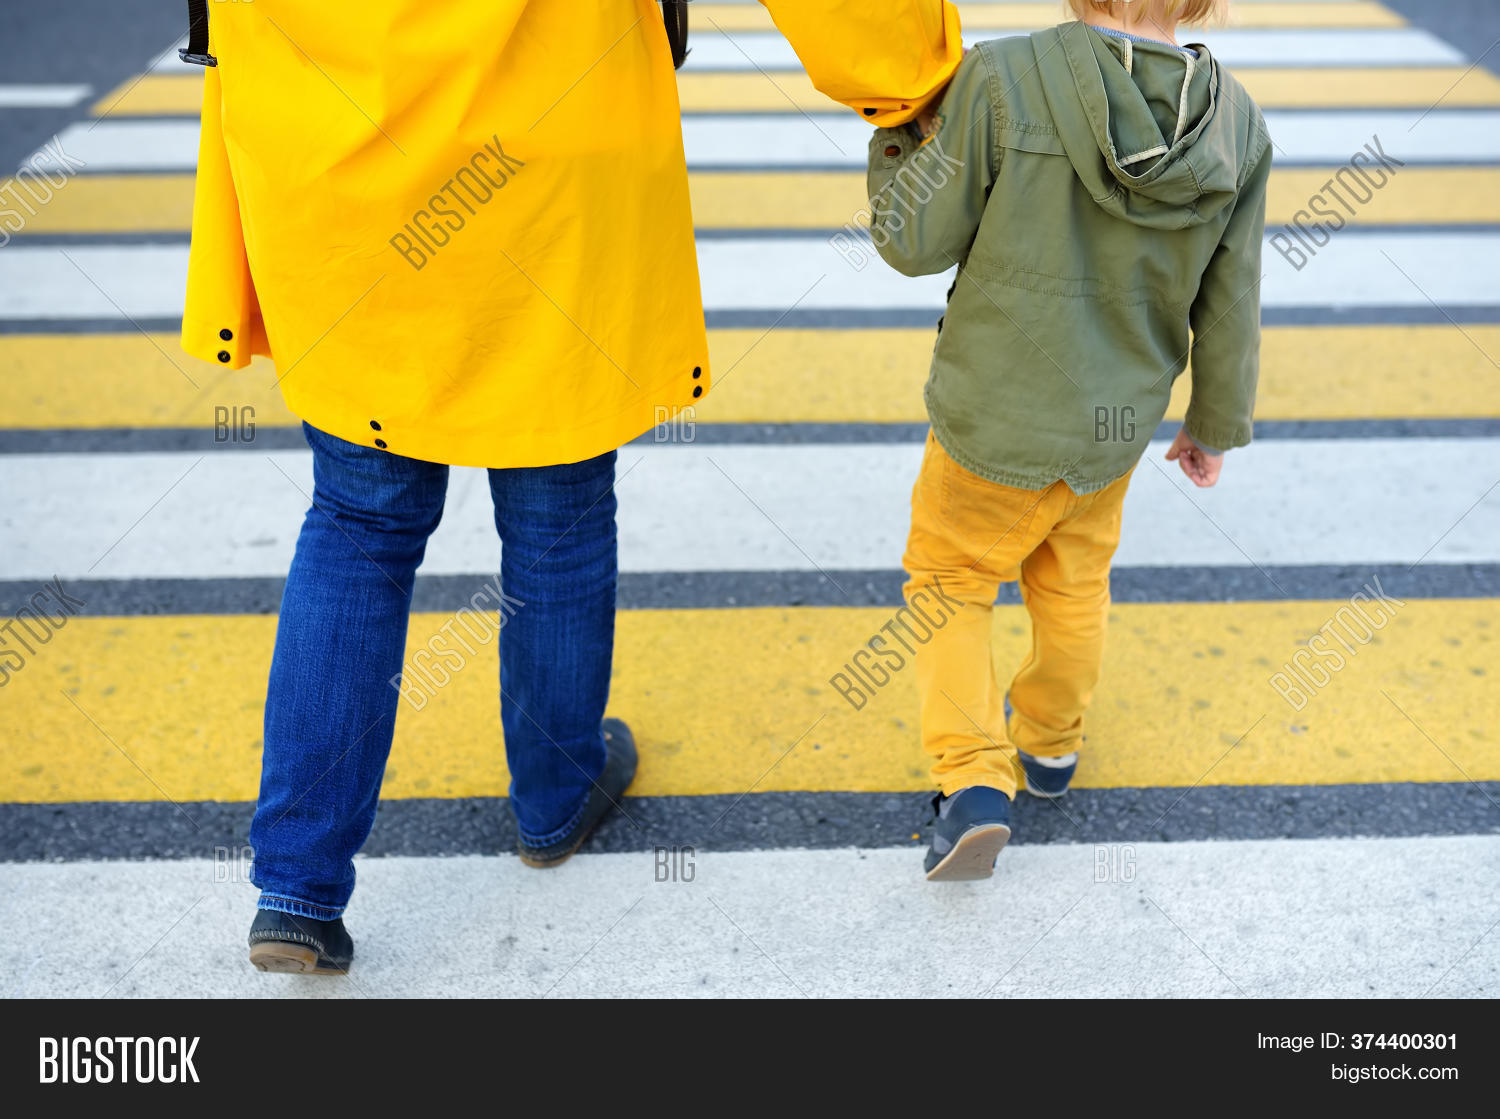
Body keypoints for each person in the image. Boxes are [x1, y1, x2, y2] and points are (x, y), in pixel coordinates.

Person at [177, 0, 966, 972]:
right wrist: (911, 72)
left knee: (357, 520)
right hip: (548, 146)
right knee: (558, 511)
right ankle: (554, 797)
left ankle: (294, 890)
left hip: (321, 142)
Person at [866, 0, 1269, 880]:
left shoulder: (1004, 76)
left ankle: (972, 778)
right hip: (1112, 430)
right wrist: (1213, 423)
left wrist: (898, 131)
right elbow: (1233, 292)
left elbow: (913, 239)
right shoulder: (1236, 120)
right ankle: (1049, 744)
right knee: (1074, 579)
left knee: (950, 582)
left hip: (989, 417)